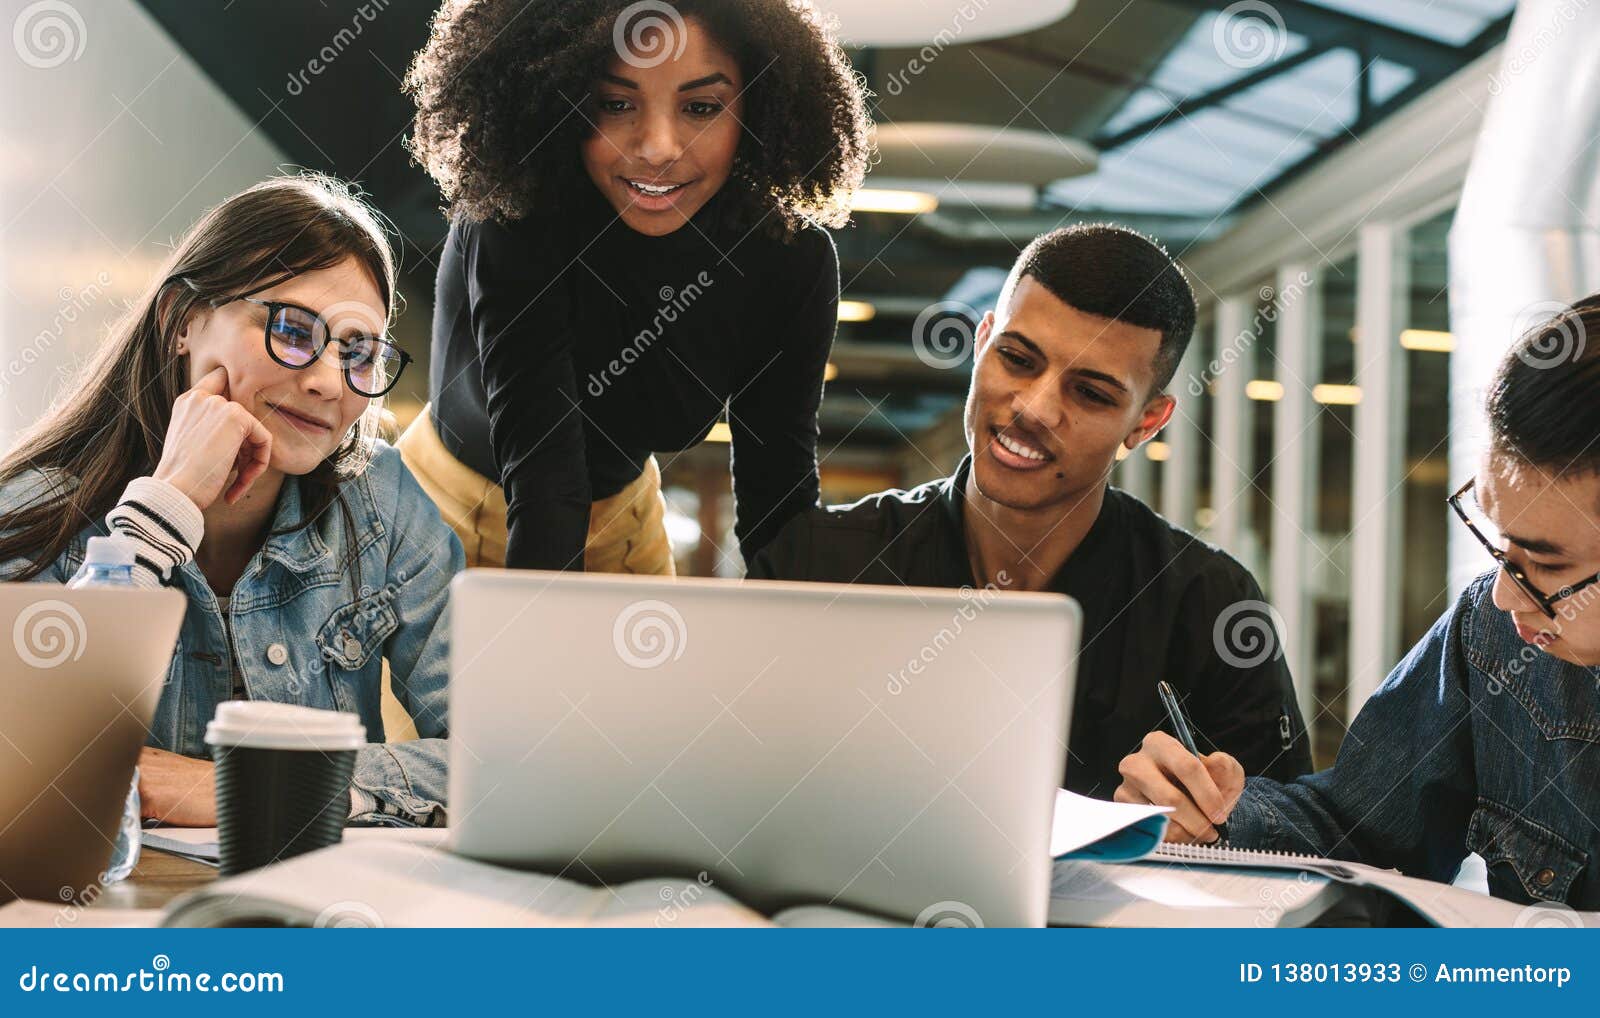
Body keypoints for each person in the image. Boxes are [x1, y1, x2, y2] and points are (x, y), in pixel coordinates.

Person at [749, 224, 1312, 799]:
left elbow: (1293, 835)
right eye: (1017, 360)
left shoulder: (1210, 605)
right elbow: (729, 791)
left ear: (1145, 423)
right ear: (982, 343)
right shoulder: (818, 564)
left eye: (1091, 393)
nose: (1036, 409)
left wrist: (1201, 830)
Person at [0, 174, 463, 827]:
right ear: (182, 323)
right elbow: (24, 768)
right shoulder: (35, 515)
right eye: (292, 329)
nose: (331, 382)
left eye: (359, 353)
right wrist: (166, 507)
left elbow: (503, 760)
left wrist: (244, 788)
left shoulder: (382, 504)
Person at [1115, 298, 1600, 908]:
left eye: (1548, 564)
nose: (1504, 594)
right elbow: (1362, 832)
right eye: (1498, 543)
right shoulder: (1494, 636)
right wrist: (1215, 816)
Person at [400, 0, 871, 572]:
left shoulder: (789, 262)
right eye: (616, 104)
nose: (658, 148)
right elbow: (547, 481)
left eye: (701, 107)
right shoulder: (515, 218)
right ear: (560, 100)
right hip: (430, 519)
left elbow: (778, 489)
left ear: (759, 109)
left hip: (623, 526)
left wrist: (798, 643)